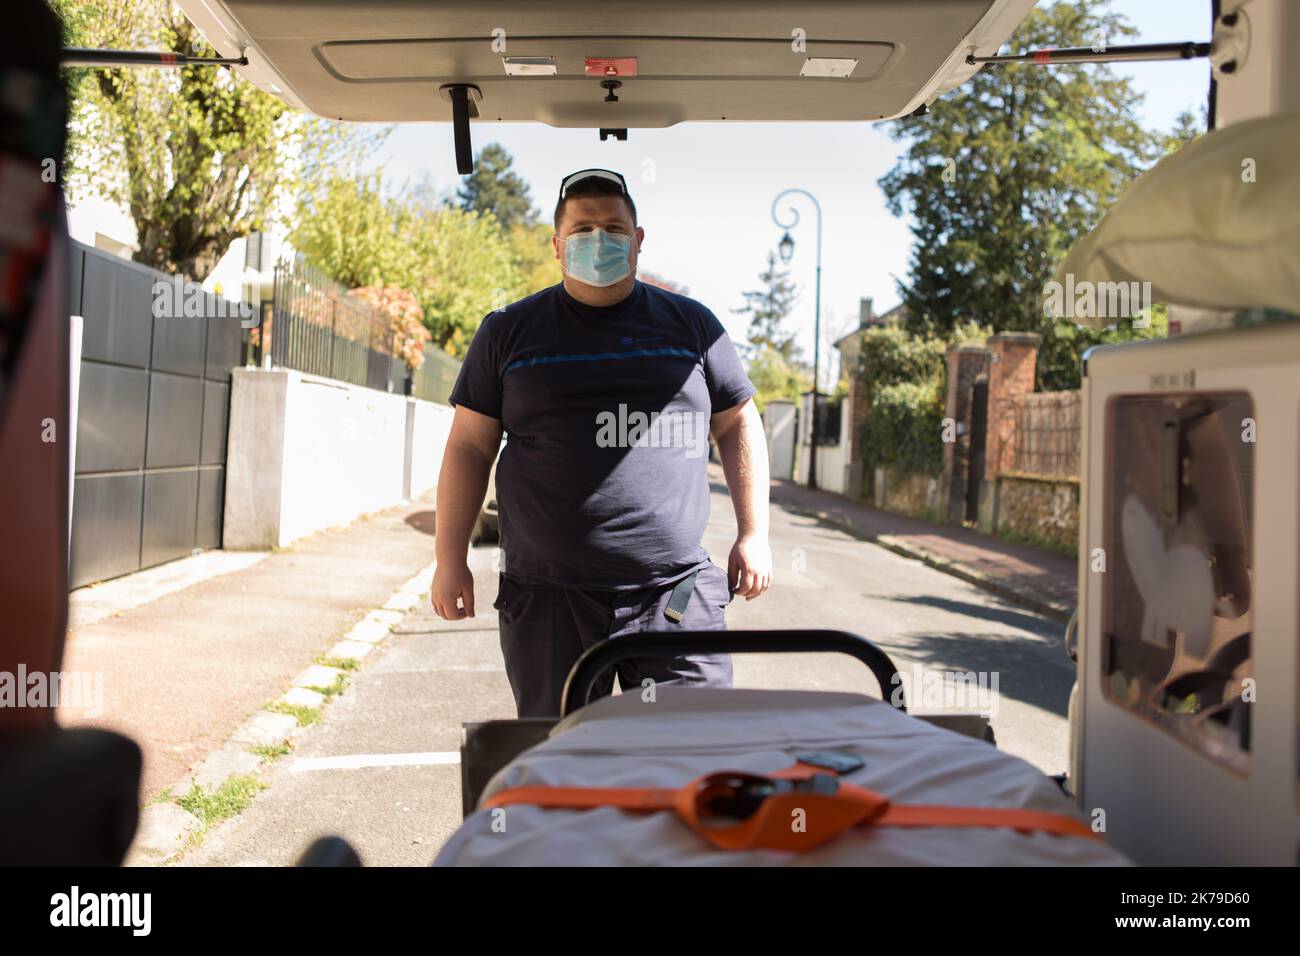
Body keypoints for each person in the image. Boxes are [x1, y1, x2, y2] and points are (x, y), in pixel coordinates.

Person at [431, 167, 771, 717]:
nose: (599, 240)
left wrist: (755, 532)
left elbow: (737, 422)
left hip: (675, 595)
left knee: (693, 762)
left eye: (614, 228)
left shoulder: (693, 328)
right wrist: (450, 559)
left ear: (637, 241)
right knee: (563, 767)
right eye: (583, 229)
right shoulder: (507, 332)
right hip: (547, 598)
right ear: (558, 245)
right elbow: (469, 447)